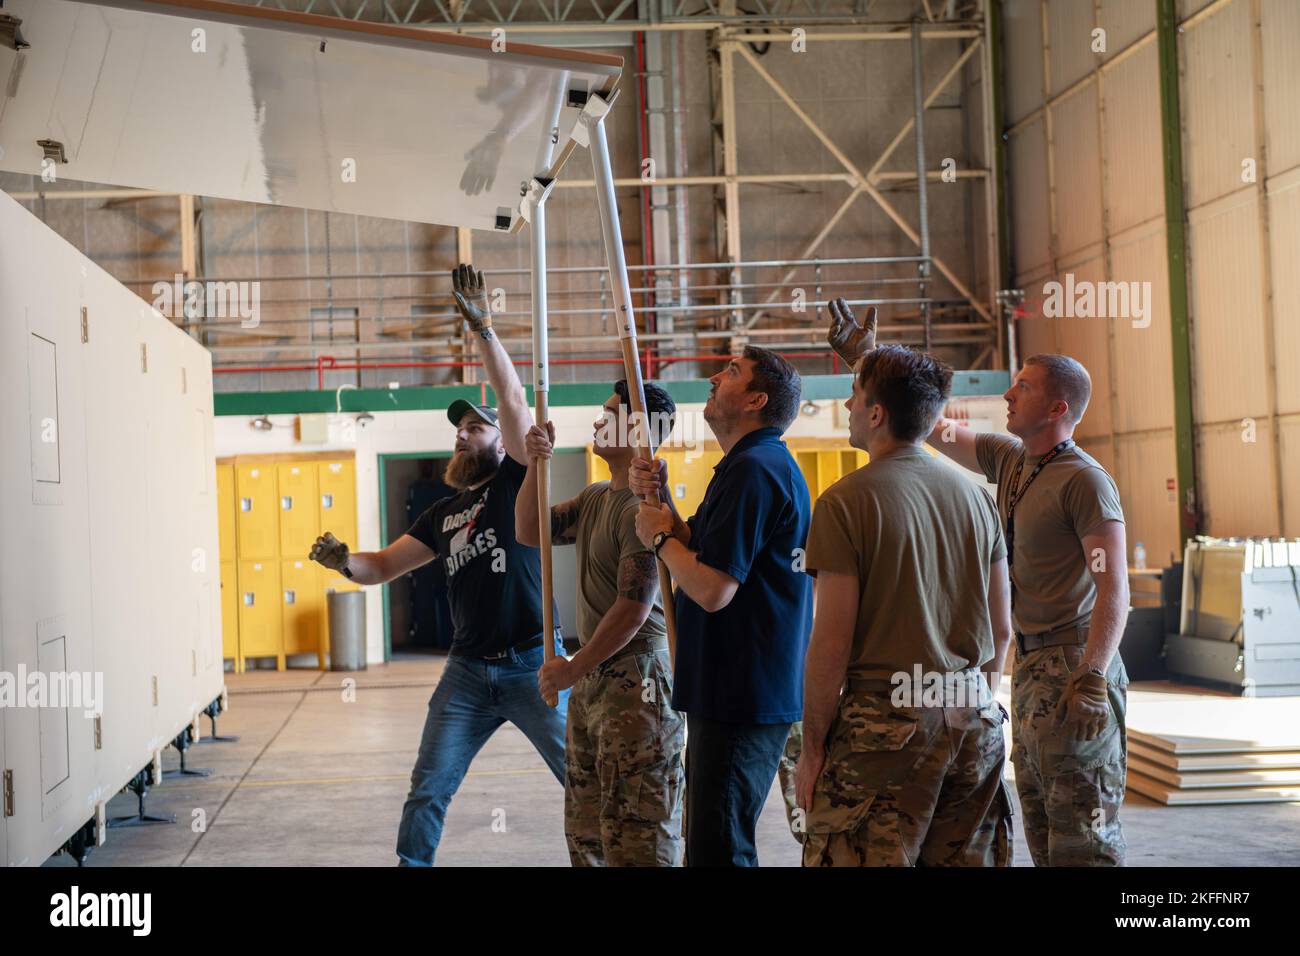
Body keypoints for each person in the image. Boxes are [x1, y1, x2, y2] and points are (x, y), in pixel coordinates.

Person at [309, 264, 567, 866]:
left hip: (534, 665)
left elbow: (512, 398)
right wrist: (345, 562)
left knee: (582, 777)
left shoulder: (516, 479)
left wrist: (483, 329)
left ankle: (613, 854)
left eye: (475, 428)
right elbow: (384, 566)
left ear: (501, 441)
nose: (463, 435)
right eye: (459, 428)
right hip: (468, 675)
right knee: (428, 788)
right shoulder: (442, 515)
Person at [794, 344, 1014, 866]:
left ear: (876, 414)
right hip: (973, 717)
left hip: (886, 725)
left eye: (853, 396)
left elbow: (830, 645)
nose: (846, 407)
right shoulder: (978, 499)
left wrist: (811, 750)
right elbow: (1001, 629)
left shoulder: (845, 502)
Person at [925, 352, 1130, 866]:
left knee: (1083, 833)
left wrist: (1093, 676)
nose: (1008, 396)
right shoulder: (1013, 460)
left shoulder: (1086, 482)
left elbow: (1114, 587)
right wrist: (870, 361)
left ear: (1058, 406)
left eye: (1023, 387)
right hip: (1033, 667)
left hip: (1074, 666)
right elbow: (935, 428)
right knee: (1040, 821)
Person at [631, 346, 812, 867]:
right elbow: (710, 554)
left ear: (756, 399)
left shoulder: (755, 468)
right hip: (734, 690)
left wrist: (660, 541)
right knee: (712, 842)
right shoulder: (750, 465)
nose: (714, 376)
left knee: (718, 850)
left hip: (740, 694)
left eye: (731, 371)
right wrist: (667, 512)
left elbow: (712, 589)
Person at [515, 382, 685, 866]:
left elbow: (634, 608)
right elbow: (530, 531)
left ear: (636, 429)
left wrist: (571, 667)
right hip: (595, 680)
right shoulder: (595, 498)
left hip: (638, 682)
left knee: (638, 834)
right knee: (589, 833)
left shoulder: (642, 510)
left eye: (607, 414)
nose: (595, 422)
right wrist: (535, 466)